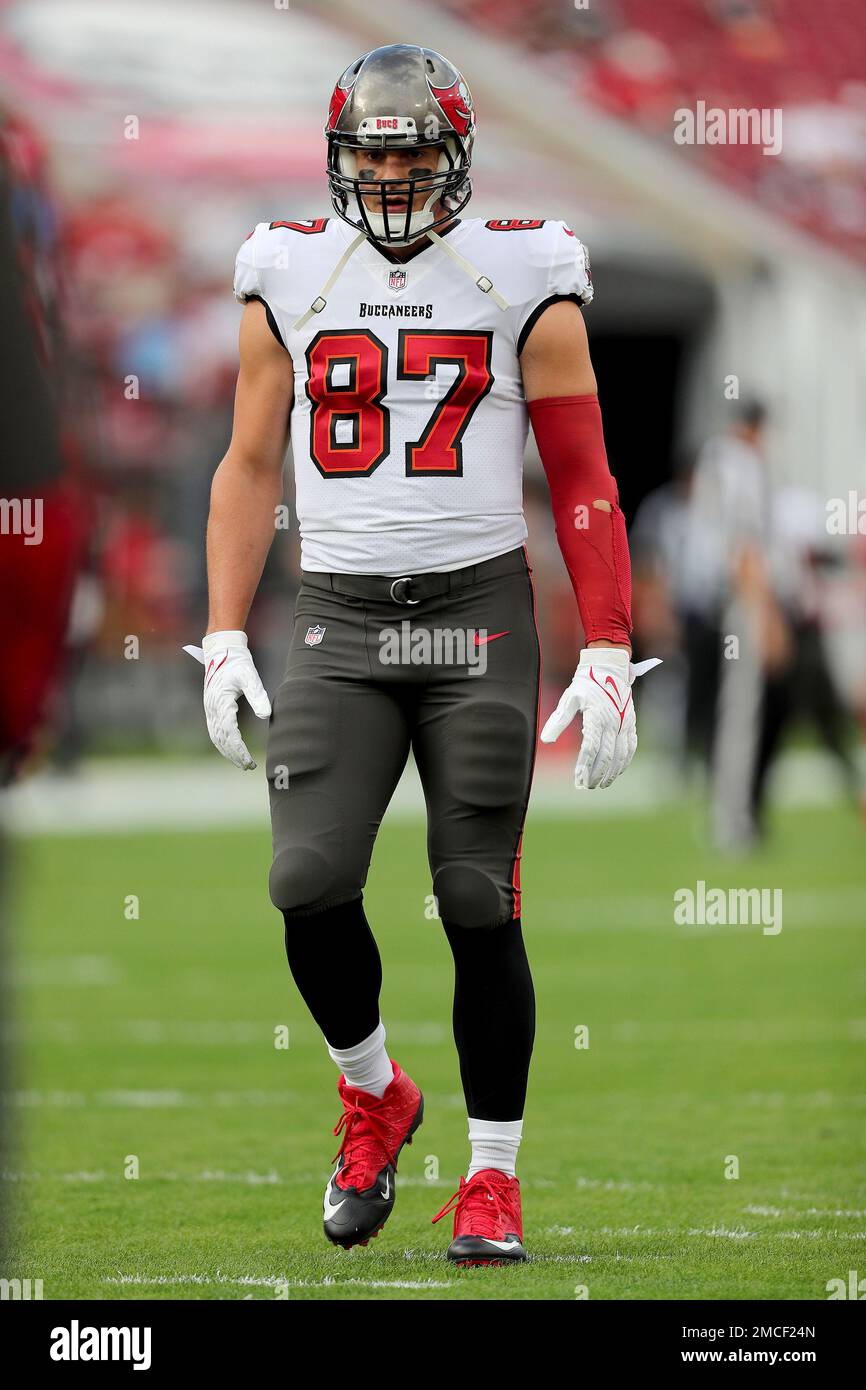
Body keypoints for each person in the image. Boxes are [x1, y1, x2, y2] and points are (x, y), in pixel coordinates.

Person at [186, 44, 657, 1266]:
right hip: (339, 619)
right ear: (340, 158)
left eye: (409, 149)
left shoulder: (522, 270)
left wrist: (606, 641)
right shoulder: (286, 269)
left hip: (474, 622)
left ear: (451, 157)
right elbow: (246, 464)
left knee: (471, 895)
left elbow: (584, 476)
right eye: (371, 149)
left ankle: (491, 1179)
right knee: (304, 882)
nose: (389, 171)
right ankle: (374, 1091)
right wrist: (224, 625)